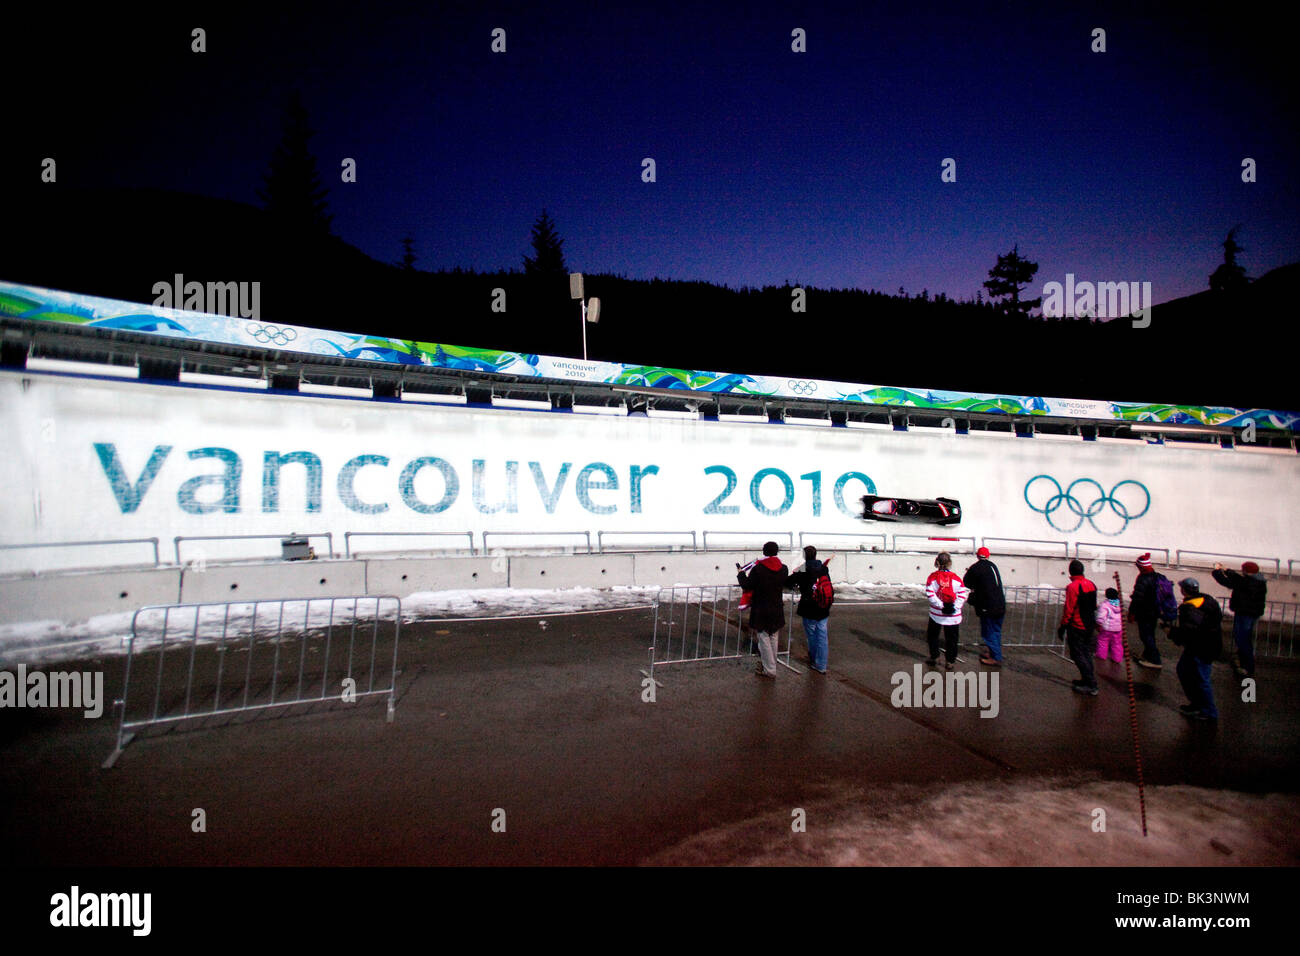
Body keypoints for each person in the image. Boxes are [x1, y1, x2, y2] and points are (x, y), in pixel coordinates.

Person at [1166, 578, 1222, 720]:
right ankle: (1197, 704)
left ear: (1184, 590)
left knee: (1201, 679)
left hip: (1201, 648)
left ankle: (1209, 711)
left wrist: (1171, 632)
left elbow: (1190, 631)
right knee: (1183, 670)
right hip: (1204, 645)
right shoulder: (1207, 600)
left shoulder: (1190, 608)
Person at [737, 542, 789, 679]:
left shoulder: (759, 569)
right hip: (777, 607)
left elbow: (747, 585)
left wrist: (741, 574)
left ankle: (770, 669)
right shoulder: (784, 569)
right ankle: (771, 665)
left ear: (764, 552)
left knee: (764, 637)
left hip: (761, 608)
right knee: (773, 636)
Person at [1211, 561, 1267, 680]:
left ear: (1246, 571)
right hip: (1249, 613)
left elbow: (1229, 581)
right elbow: (1238, 579)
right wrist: (1226, 569)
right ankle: (1242, 663)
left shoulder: (1248, 582)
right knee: (1244, 638)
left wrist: (1217, 571)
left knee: (1242, 639)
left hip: (1245, 614)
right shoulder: (1257, 580)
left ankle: (1247, 667)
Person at [787, 546, 832, 674]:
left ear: (805, 555)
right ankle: (822, 664)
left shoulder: (803, 568)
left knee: (812, 635)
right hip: (823, 606)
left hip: (809, 606)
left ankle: (814, 659)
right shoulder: (823, 568)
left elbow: (789, 581)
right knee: (822, 636)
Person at [1058, 559, 1100, 695]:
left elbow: (1069, 609)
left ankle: (1091, 683)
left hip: (1077, 625)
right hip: (1089, 624)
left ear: (1071, 572)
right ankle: (1087, 679)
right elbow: (1093, 606)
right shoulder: (1091, 584)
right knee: (1086, 653)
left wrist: (1063, 626)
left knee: (1078, 655)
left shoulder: (1073, 587)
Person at [924, 551, 969, 671]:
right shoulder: (956, 578)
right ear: (949, 563)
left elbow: (930, 594)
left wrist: (940, 605)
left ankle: (934, 656)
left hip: (936, 614)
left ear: (937, 562)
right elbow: (962, 594)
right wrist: (955, 606)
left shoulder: (932, 577)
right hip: (953, 615)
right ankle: (950, 661)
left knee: (932, 636)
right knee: (952, 639)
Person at [963, 546, 1006, 666]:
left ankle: (996, 657)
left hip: (988, 606)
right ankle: (994, 653)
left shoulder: (976, 567)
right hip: (1000, 604)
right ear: (988, 556)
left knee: (988, 632)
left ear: (977, 556)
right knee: (996, 630)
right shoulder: (993, 566)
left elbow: (966, 581)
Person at [1128, 553, 1171, 670]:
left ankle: (1155, 660)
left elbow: (1137, 597)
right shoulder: (1158, 576)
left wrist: (1131, 612)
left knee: (1146, 636)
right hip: (1155, 611)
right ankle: (1147, 655)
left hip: (1145, 612)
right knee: (1150, 634)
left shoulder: (1143, 579)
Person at [1095, 587, 1124, 663]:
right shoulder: (1120, 604)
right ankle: (1117, 658)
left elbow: (1101, 617)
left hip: (1107, 628)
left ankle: (1101, 656)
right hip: (1118, 628)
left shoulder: (1105, 605)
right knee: (1117, 643)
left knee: (1103, 641)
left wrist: (1099, 624)